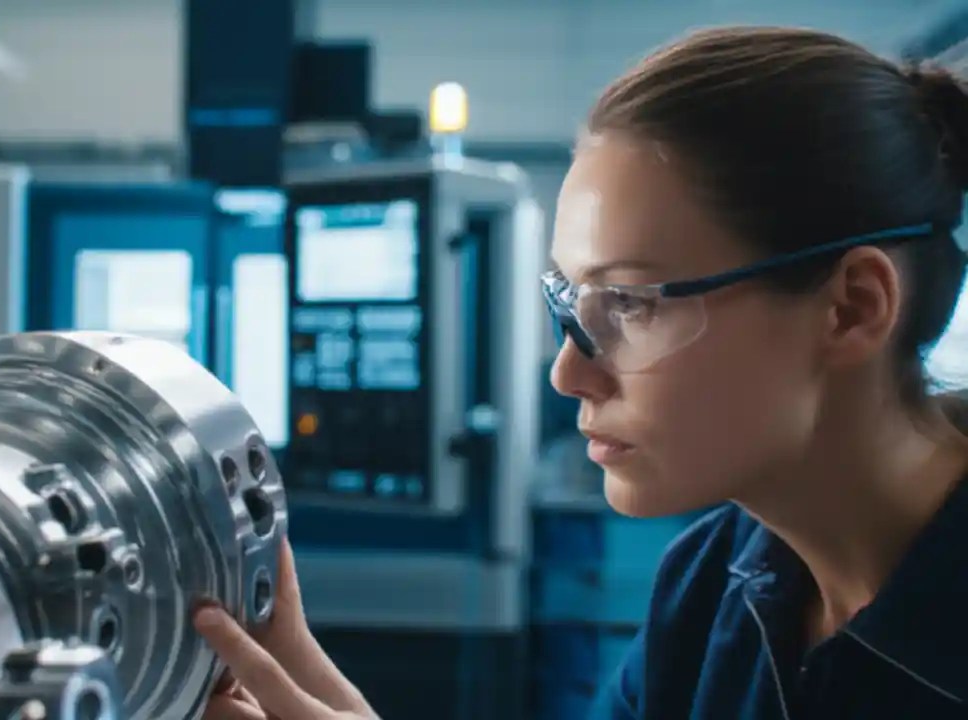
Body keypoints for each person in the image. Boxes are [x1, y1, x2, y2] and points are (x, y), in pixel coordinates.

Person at [192, 25, 968, 719]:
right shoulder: (712, 585)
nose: (569, 373)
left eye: (629, 303)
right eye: (574, 301)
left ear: (852, 307)